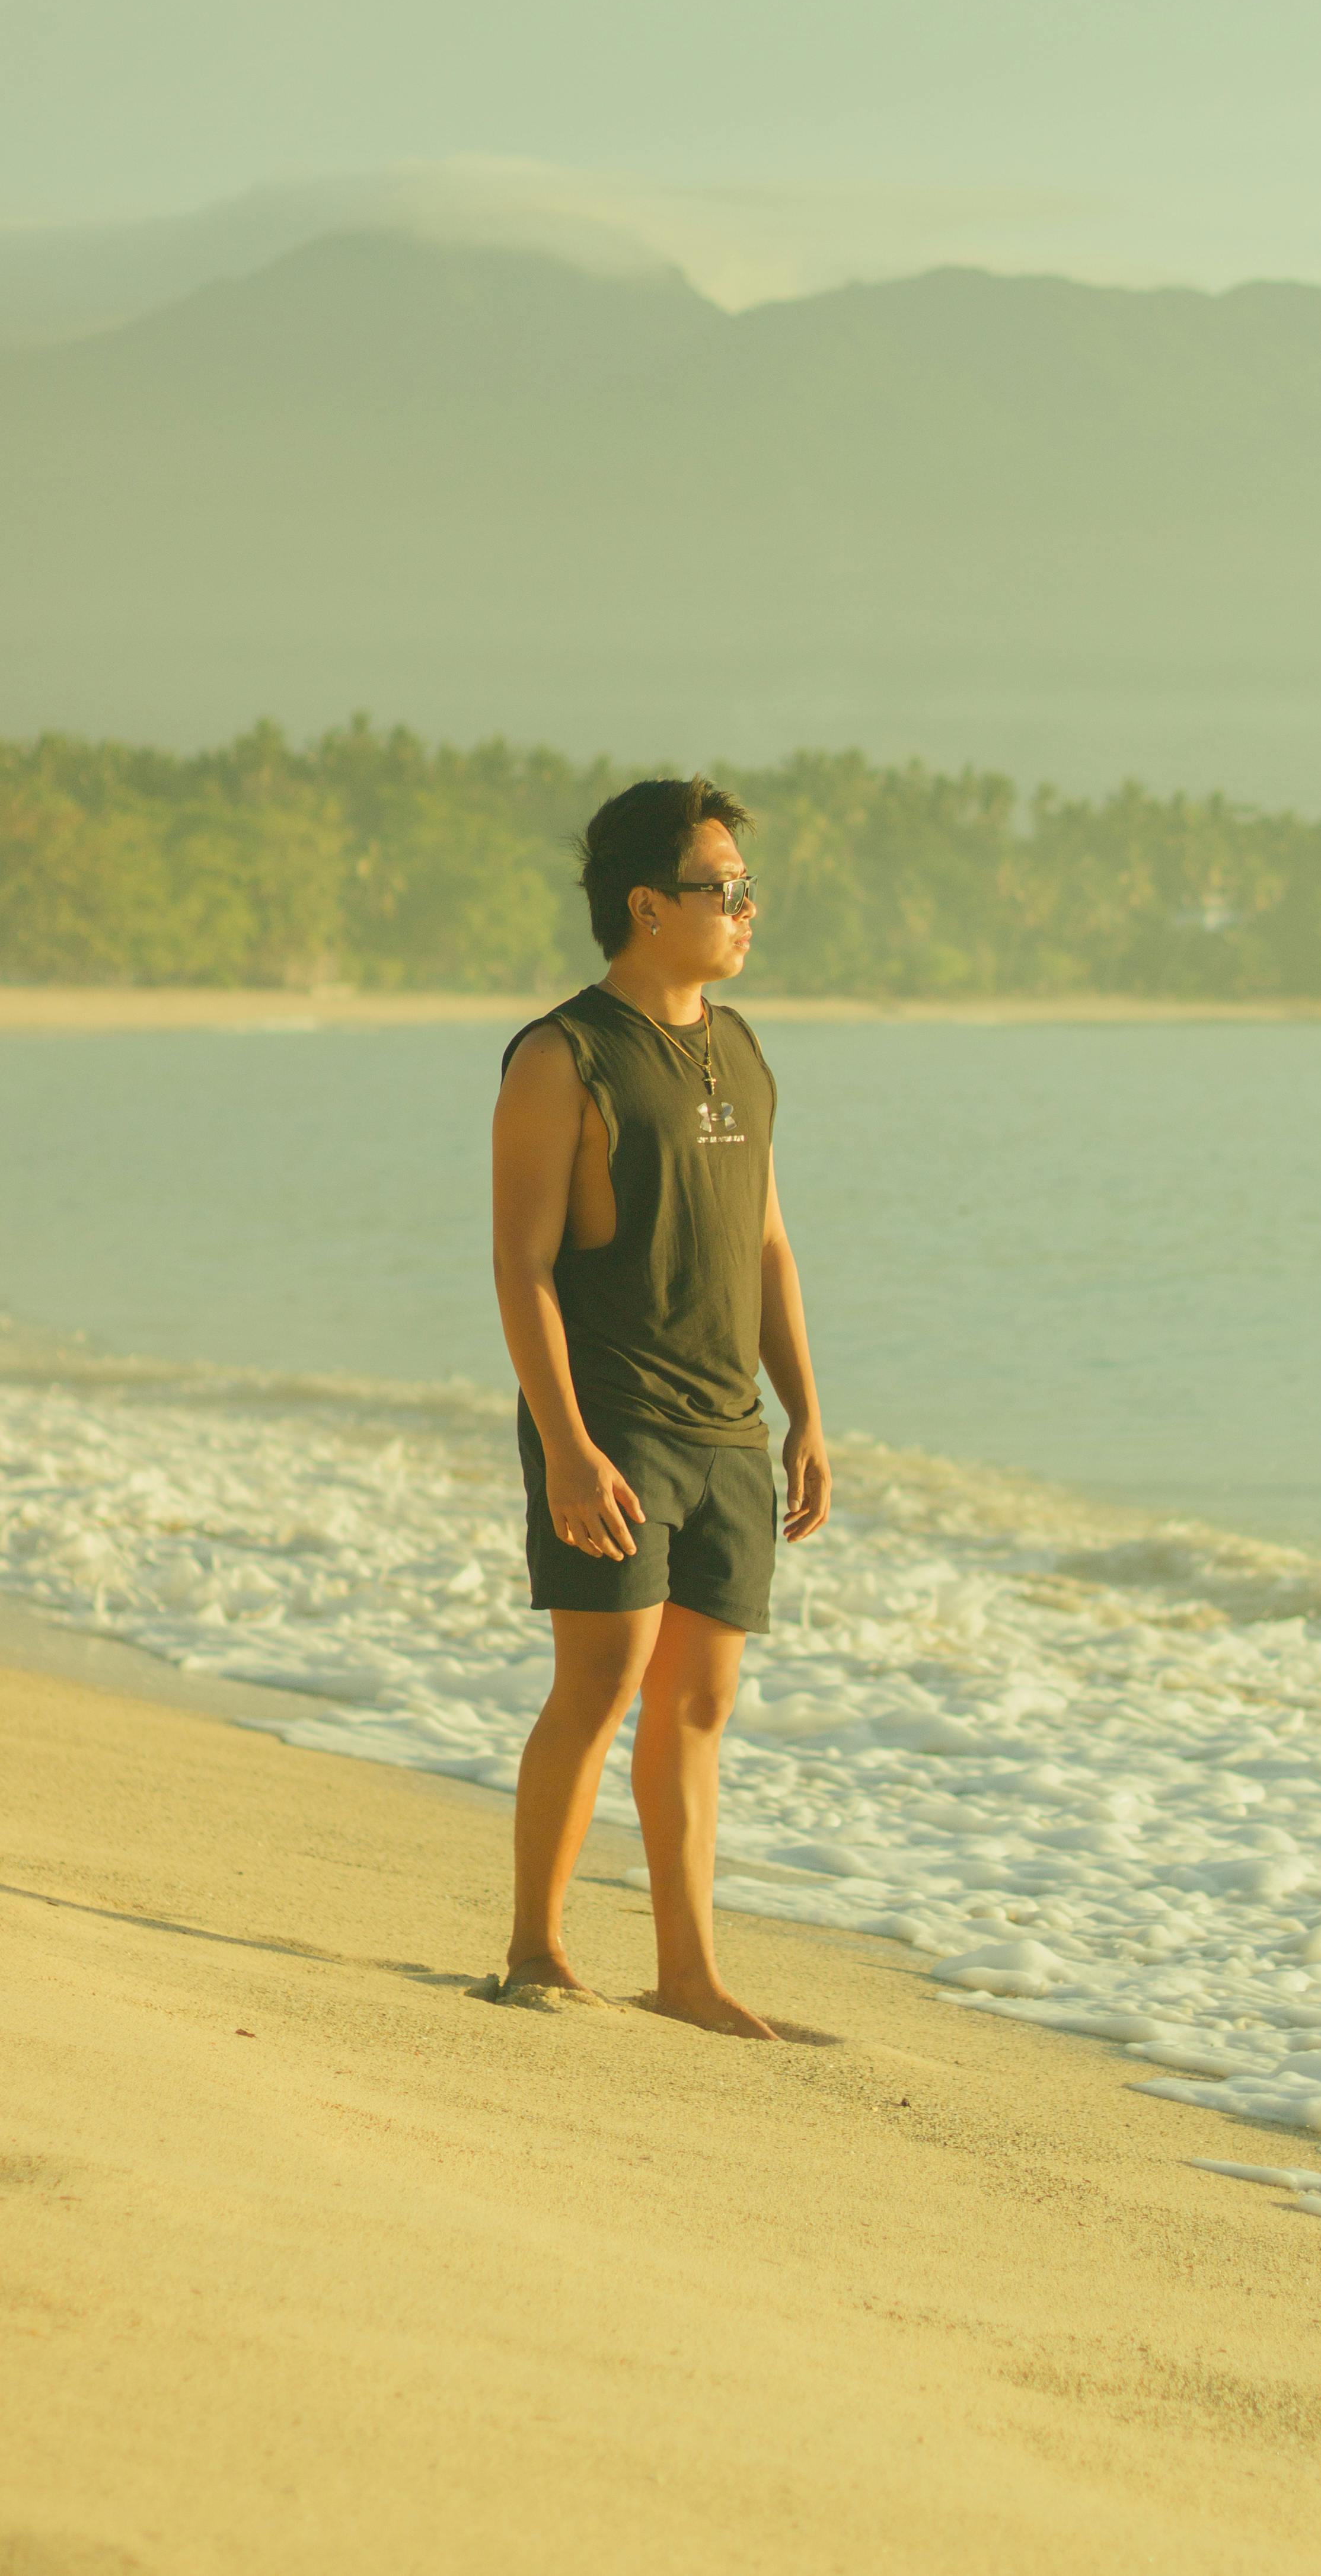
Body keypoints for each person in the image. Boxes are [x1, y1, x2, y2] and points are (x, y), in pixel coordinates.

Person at [490, 775, 831, 2034]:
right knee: (604, 1679)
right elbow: (521, 1265)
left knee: (700, 1705)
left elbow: (769, 1249)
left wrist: (804, 1412)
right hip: (614, 1418)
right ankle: (537, 1948)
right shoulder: (561, 1055)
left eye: (746, 887)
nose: (747, 907)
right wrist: (568, 1447)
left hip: (729, 1427)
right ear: (647, 905)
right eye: (721, 888)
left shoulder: (739, 1046)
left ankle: (687, 1975)